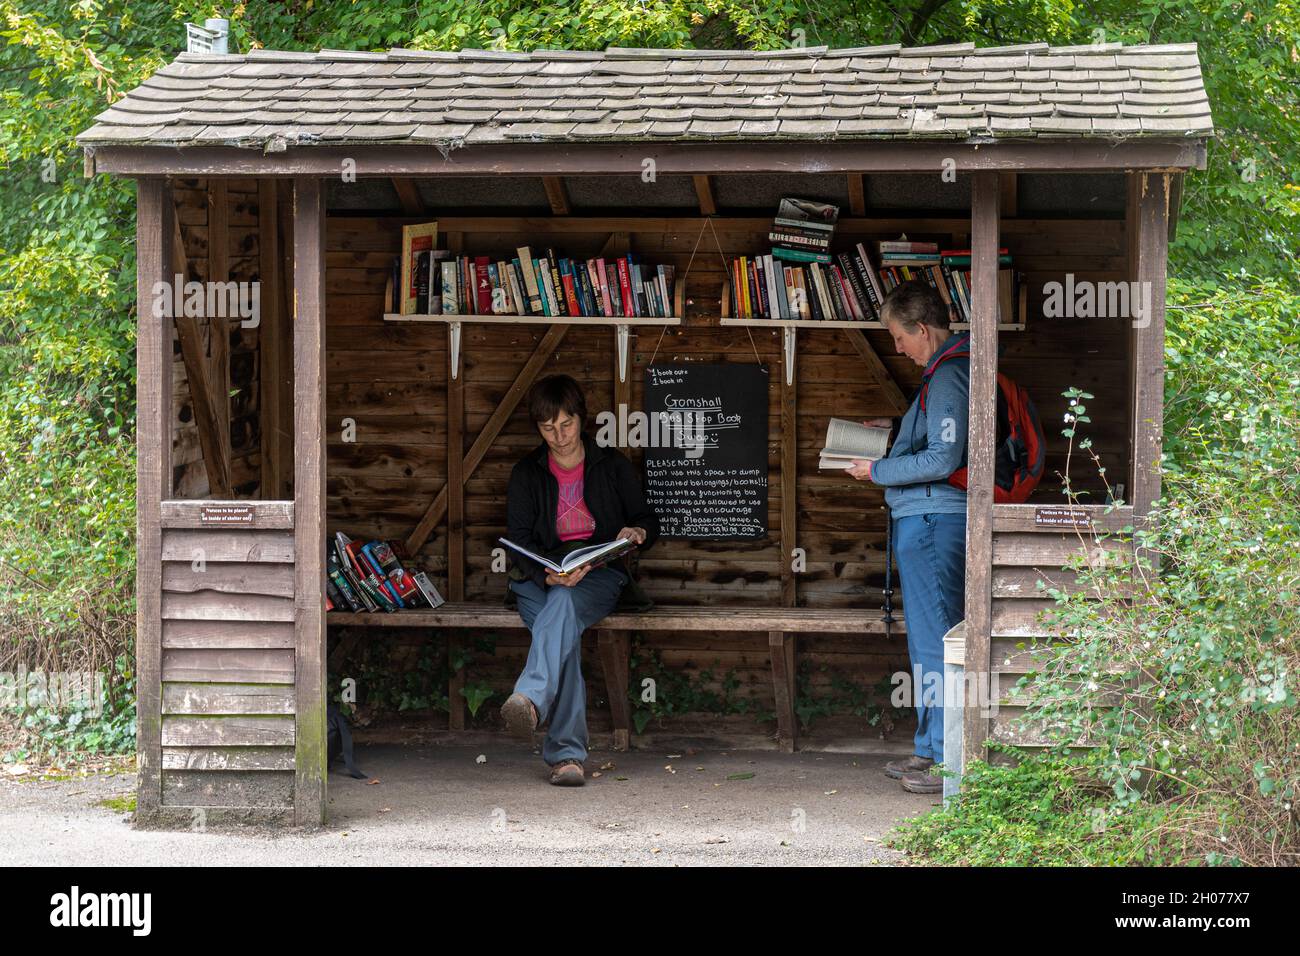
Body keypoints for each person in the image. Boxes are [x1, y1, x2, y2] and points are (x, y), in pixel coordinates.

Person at [498, 374, 658, 786]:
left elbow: (645, 520)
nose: (559, 435)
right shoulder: (527, 473)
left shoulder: (612, 466)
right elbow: (518, 541)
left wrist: (636, 533)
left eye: (566, 424)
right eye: (547, 428)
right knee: (561, 628)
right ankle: (567, 757)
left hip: (598, 577)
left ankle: (532, 701)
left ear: (581, 419)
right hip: (539, 581)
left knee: (563, 615)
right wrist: (546, 573)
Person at [847, 280, 970, 795]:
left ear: (922, 329)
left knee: (939, 643)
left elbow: (944, 458)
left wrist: (876, 469)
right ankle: (928, 750)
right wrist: (895, 434)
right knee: (927, 644)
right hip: (924, 522)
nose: (896, 348)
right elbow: (935, 443)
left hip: (932, 524)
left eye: (899, 337)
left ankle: (945, 762)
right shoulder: (942, 376)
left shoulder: (948, 377)